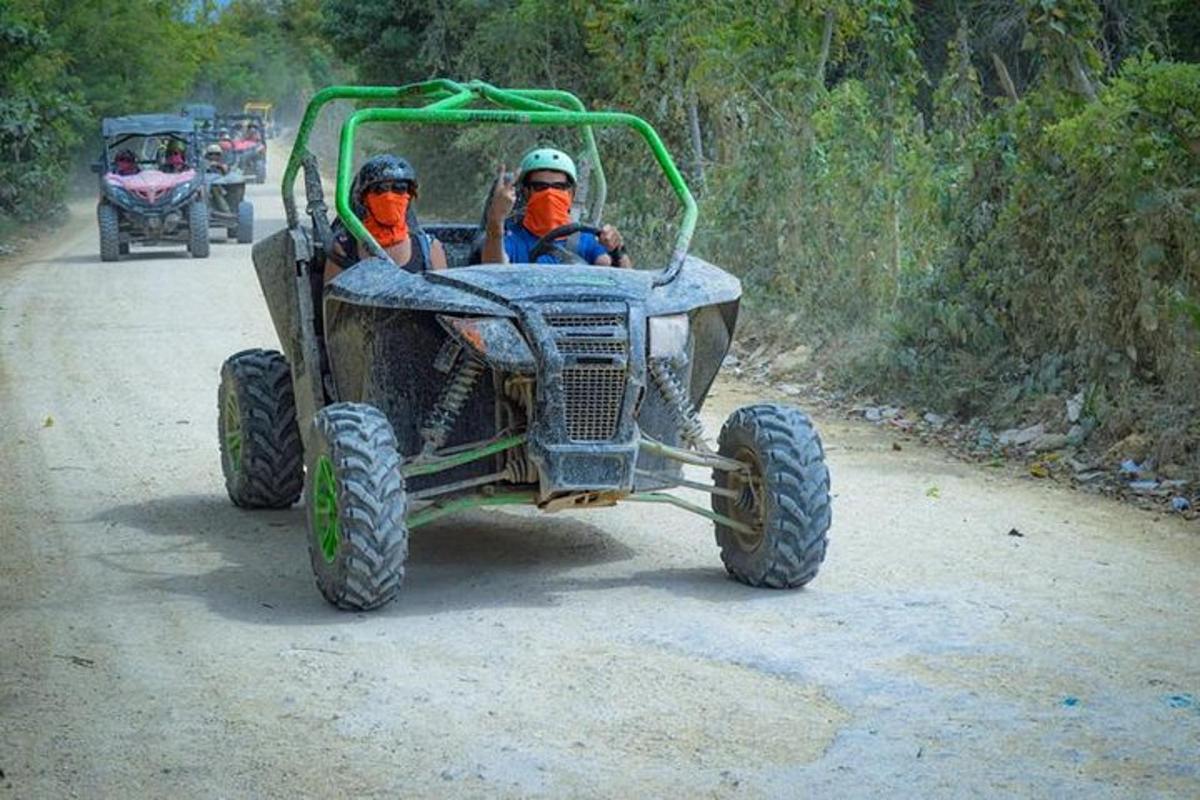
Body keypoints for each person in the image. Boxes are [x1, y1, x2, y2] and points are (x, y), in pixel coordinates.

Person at [480, 147, 631, 267]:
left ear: (571, 193)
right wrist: (496, 219)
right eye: (540, 187)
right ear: (526, 192)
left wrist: (617, 250)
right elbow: (492, 269)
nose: (550, 194)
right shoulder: (509, 238)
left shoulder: (589, 239)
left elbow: (625, 281)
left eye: (559, 187)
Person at [323, 154, 447, 283]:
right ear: (364, 198)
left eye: (399, 188)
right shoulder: (343, 249)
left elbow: (445, 299)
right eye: (379, 189)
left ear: (409, 195)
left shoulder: (429, 249)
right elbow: (329, 301)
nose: (389, 197)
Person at [204, 143, 231, 214]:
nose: (214, 156)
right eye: (211, 154)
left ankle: (226, 211)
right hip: (204, 184)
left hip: (219, 185)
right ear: (207, 155)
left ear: (220, 155)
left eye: (216, 154)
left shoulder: (223, 163)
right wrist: (207, 166)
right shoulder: (203, 163)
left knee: (215, 189)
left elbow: (226, 172)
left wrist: (219, 166)